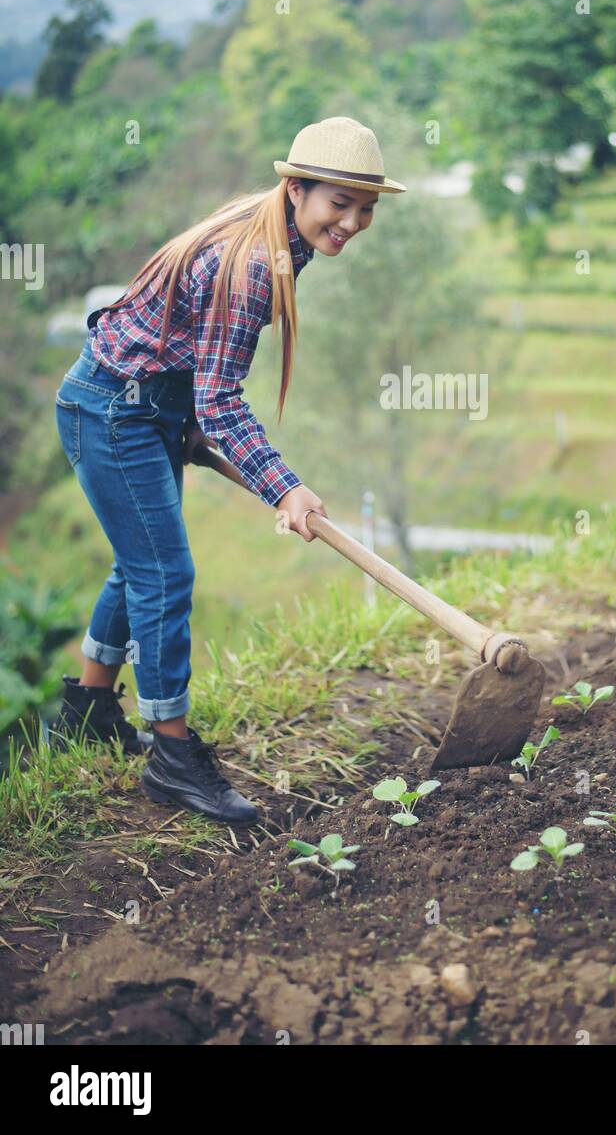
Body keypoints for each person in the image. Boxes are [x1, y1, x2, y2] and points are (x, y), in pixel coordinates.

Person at [50, 117, 406, 823]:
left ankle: (88, 710)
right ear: (296, 189)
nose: (355, 222)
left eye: (366, 207)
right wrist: (286, 487)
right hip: (113, 412)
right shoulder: (252, 264)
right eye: (340, 203)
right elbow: (220, 399)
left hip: (144, 405)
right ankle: (173, 759)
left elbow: (186, 356)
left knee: (139, 562)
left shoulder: (278, 231)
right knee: (163, 573)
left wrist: (177, 417)